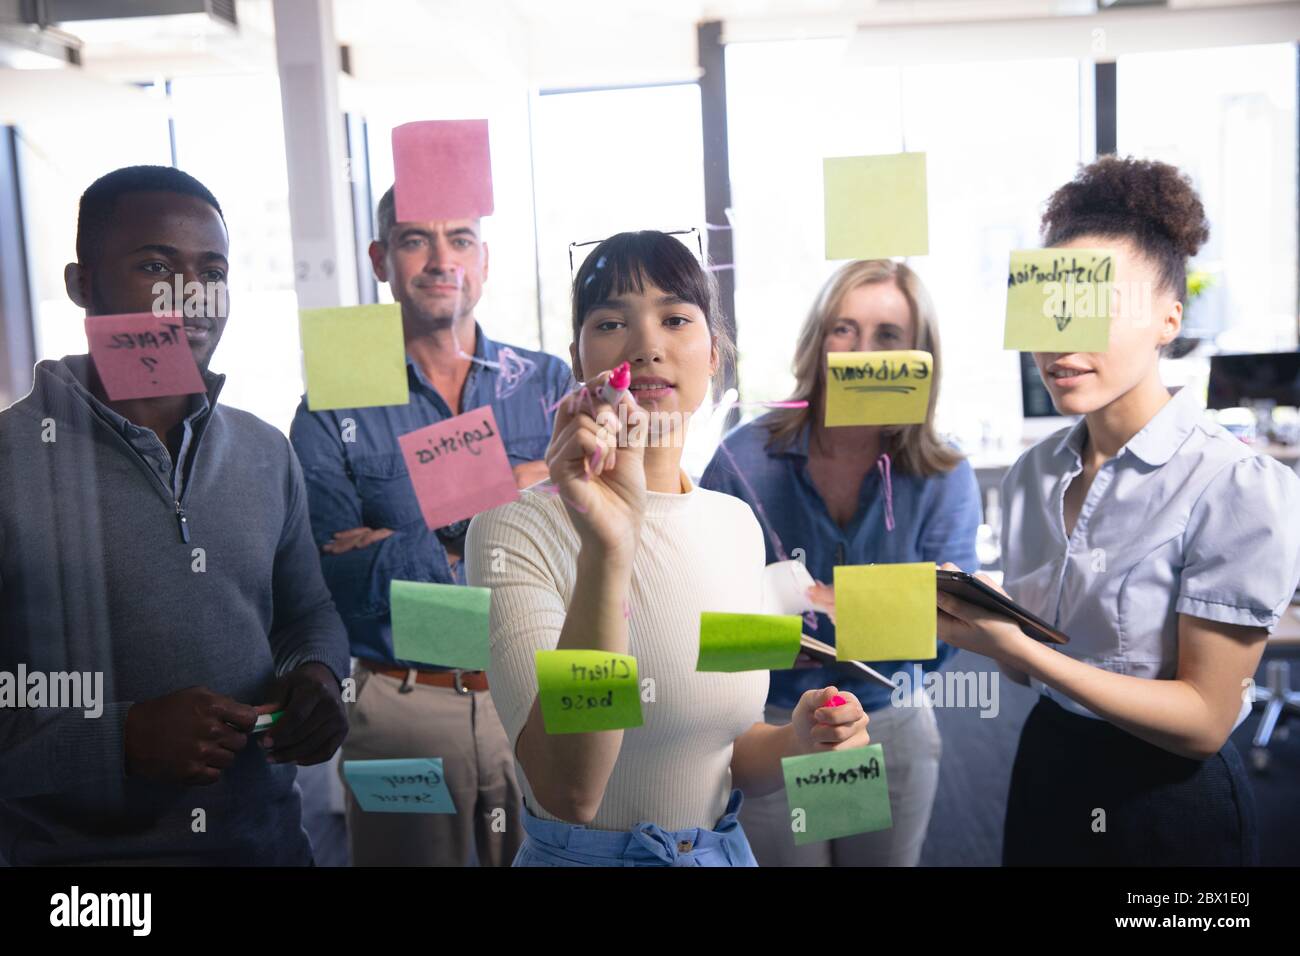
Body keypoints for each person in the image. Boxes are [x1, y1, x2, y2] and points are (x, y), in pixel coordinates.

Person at [934, 155, 1300, 865]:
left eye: (1096, 309)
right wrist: (978, 615)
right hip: (1048, 766)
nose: (1062, 340)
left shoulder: (1234, 483)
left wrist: (1024, 648)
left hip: (1167, 800)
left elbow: (1204, 719)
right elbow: (1027, 667)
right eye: (1048, 309)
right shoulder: (1031, 475)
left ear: (1171, 317)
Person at [466, 231, 871, 866]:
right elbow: (570, 789)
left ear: (715, 354)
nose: (648, 344)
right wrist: (608, 546)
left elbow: (728, 752)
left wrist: (799, 738)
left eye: (676, 318)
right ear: (579, 358)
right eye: (611, 321)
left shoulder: (735, 525)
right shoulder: (512, 531)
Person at [0, 165, 350, 865]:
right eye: (155, 265)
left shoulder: (264, 451)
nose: (187, 296)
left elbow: (306, 611)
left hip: (269, 848)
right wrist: (121, 740)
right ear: (81, 284)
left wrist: (315, 675)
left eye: (210, 271)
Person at [290, 185, 573, 866]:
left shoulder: (546, 381)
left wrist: (402, 540)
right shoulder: (334, 402)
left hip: (539, 695)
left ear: (485, 259)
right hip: (400, 708)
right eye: (416, 239)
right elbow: (334, 583)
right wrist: (511, 488)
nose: (441, 259)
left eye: (461, 239)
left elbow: (575, 549)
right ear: (380, 258)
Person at [700, 259, 980, 866]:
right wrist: (884, 610)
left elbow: (953, 627)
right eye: (844, 329)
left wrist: (825, 607)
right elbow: (707, 617)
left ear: (918, 356)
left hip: (890, 720)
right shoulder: (745, 456)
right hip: (772, 727)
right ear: (819, 341)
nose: (862, 351)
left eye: (888, 336)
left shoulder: (943, 472)